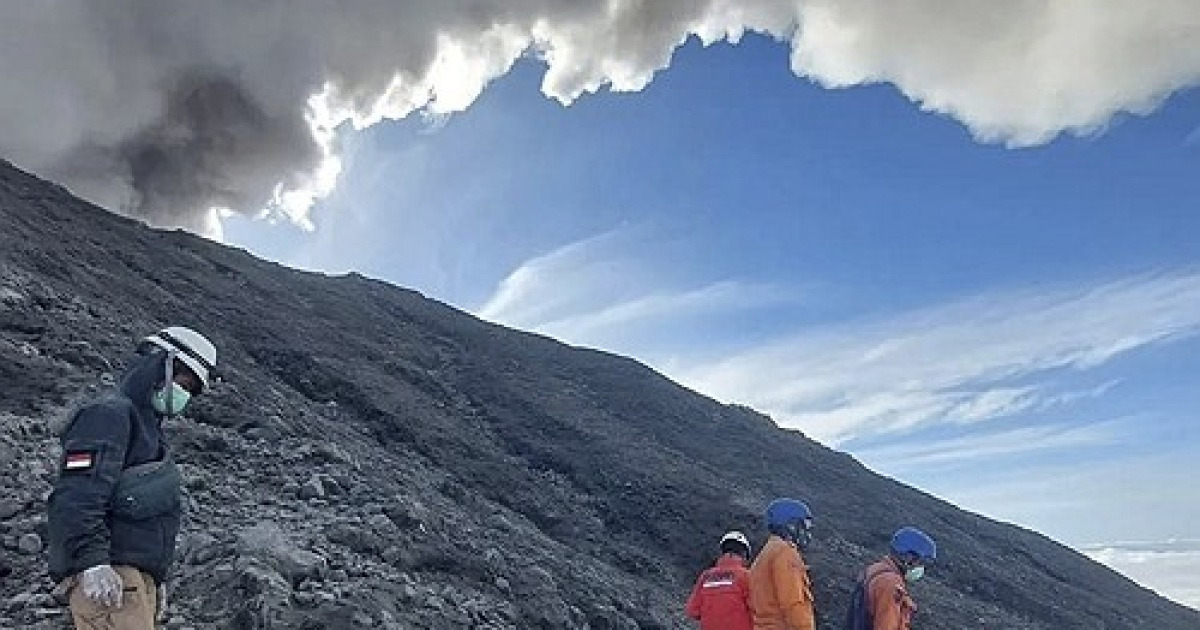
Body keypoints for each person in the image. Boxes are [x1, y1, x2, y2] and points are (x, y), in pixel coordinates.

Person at [47, 326, 217, 630]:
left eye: (190, 389)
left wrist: (154, 577)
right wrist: (92, 562)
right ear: (160, 366)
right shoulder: (108, 415)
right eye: (183, 382)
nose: (183, 394)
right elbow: (77, 494)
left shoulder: (148, 427)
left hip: (131, 578)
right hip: (110, 576)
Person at [847, 526, 937, 630]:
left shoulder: (876, 569)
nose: (922, 568)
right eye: (921, 562)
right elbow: (887, 625)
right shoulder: (891, 583)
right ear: (909, 557)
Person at [749, 498, 816, 630]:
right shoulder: (785, 553)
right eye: (805, 527)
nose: (807, 534)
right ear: (791, 526)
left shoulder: (767, 552)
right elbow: (792, 603)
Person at [685, 530, 754, 630]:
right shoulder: (747, 576)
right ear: (744, 554)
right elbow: (759, 609)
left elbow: (692, 611)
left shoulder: (705, 576)